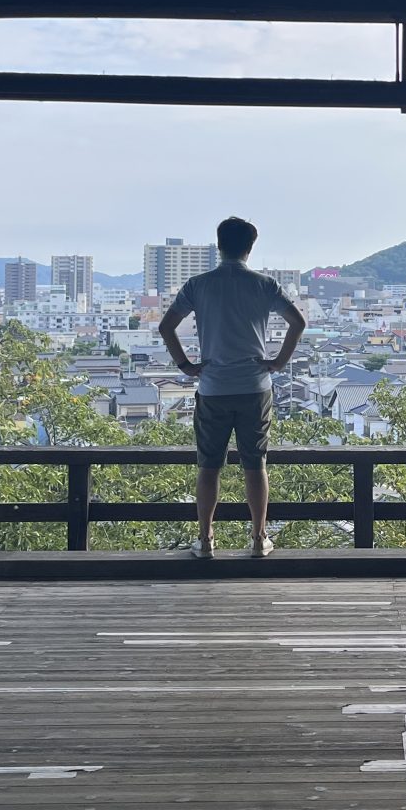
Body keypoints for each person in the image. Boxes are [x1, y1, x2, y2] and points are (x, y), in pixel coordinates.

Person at [157, 216, 307, 558]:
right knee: (256, 464)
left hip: (212, 388)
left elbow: (167, 327)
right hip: (255, 386)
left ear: (219, 244)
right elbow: (298, 323)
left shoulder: (198, 284)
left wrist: (185, 365)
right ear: (250, 247)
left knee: (209, 466)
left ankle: (206, 540)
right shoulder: (265, 285)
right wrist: (280, 361)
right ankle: (258, 538)